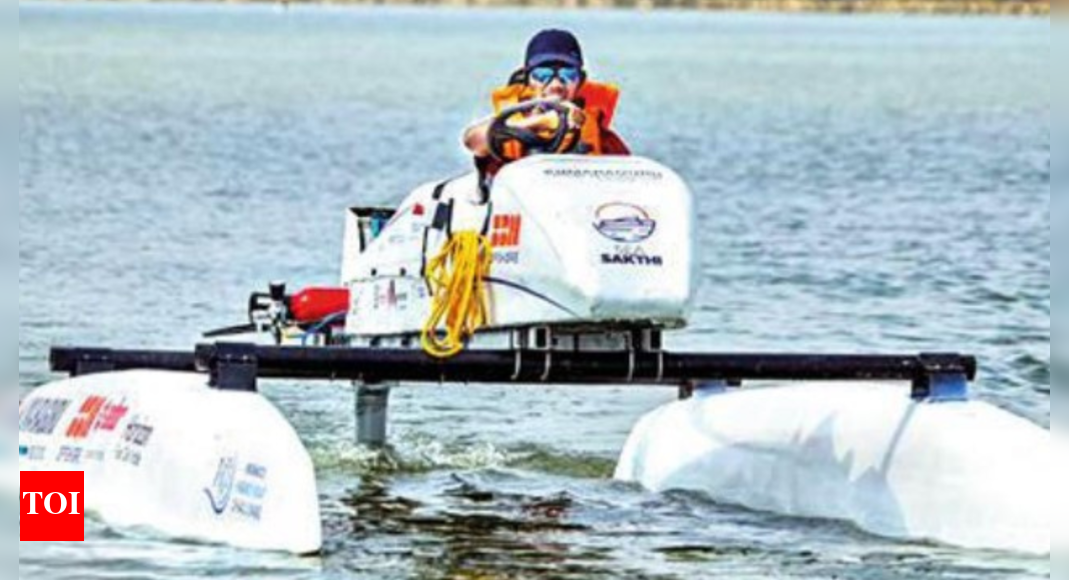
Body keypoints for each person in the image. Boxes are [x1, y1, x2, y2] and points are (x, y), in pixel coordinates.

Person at [463, 29, 630, 182]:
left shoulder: (596, 131)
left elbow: (629, 176)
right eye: (543, 75)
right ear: (528, 79)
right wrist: (537, 123)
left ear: (580, 81)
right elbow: (472, 142)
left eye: (568, 75)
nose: (556, 85)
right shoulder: (511, 119)